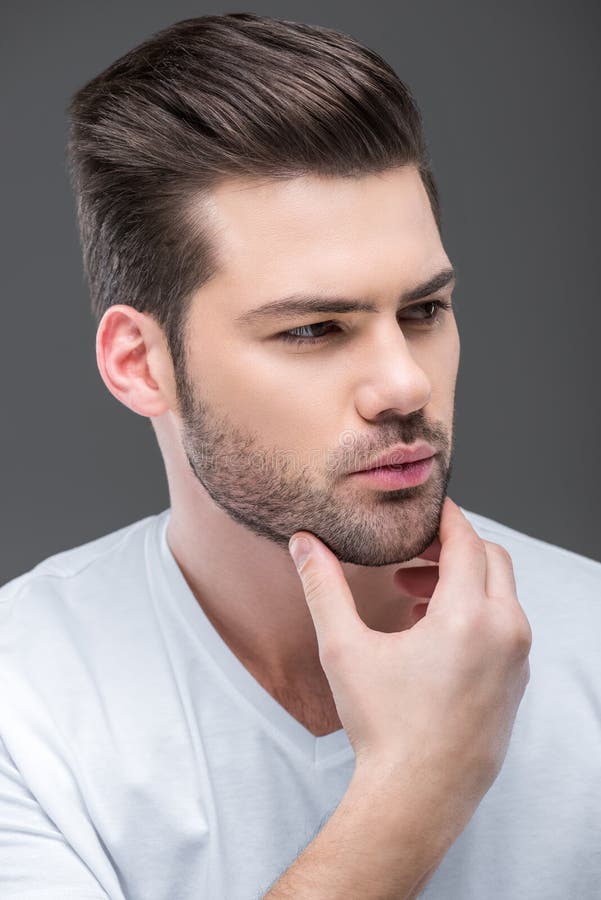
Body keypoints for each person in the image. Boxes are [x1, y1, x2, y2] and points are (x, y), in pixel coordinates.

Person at [1, 12, 599, 900]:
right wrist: (415, 790)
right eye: (314, 328)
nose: (403, 384)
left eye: (424, 312)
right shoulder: (25, 704)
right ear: (140, 364)